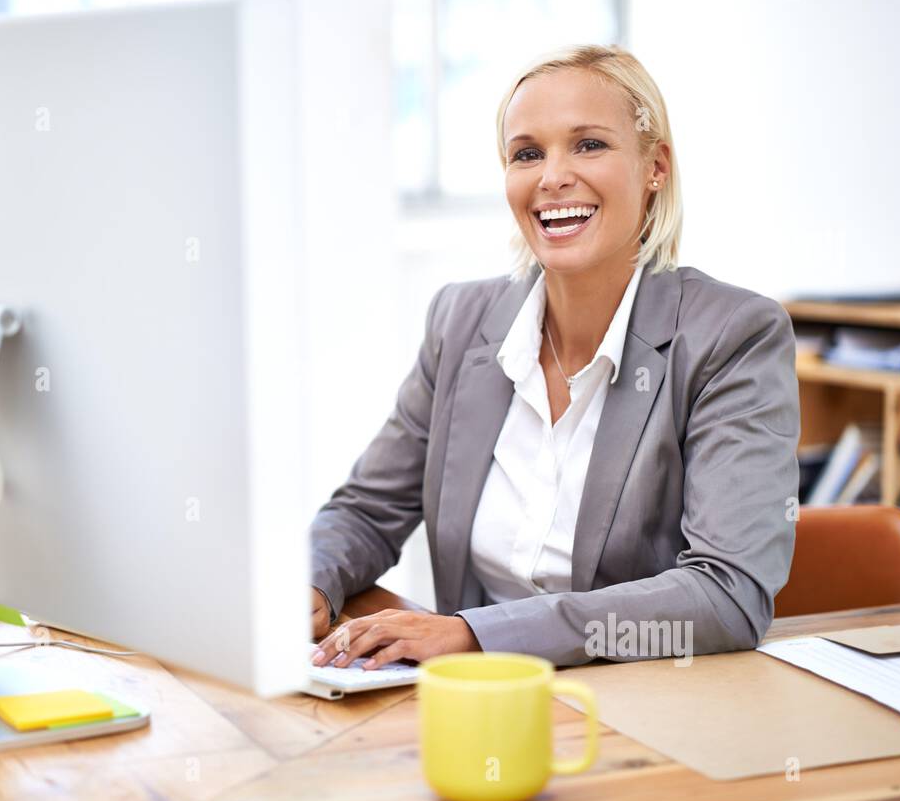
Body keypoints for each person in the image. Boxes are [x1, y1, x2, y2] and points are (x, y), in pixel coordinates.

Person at [309, 44, 799, 670]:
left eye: (589, 144)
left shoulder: (735, 336)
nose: (552, 177)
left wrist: (477, 634)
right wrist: (310, 584)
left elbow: (726, 597)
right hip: (481, 709)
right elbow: (367, 511)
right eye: (527, 153)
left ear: (656, 167)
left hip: (643, 708)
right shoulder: (460, 323)